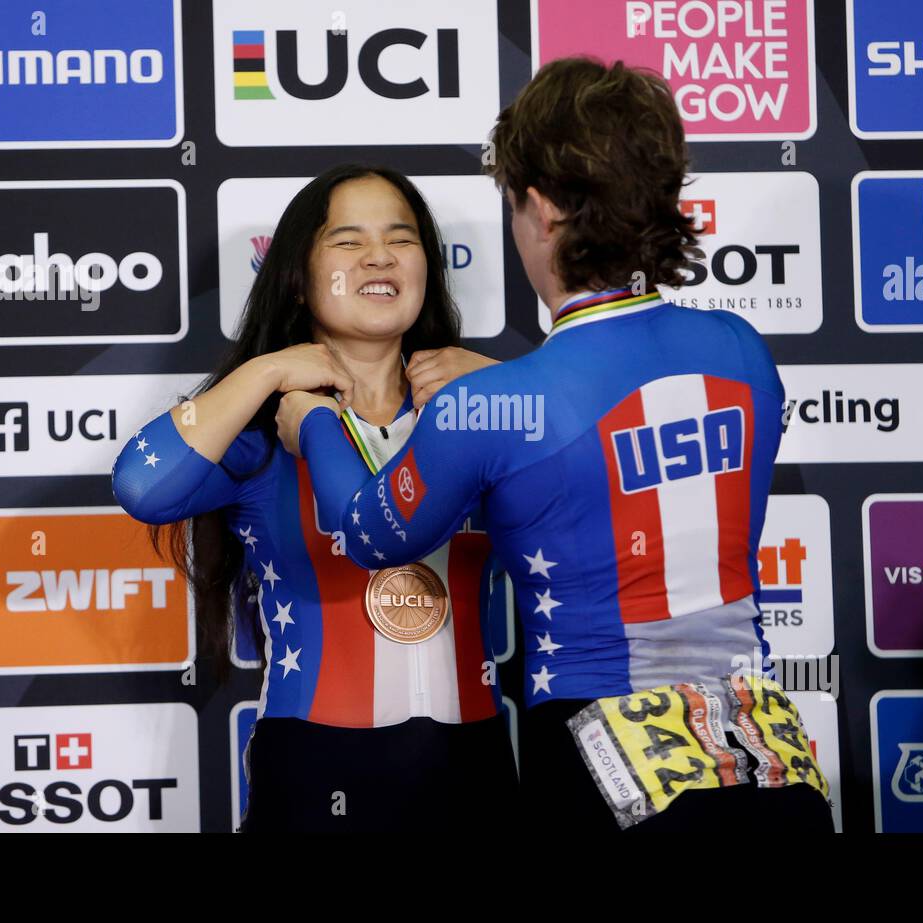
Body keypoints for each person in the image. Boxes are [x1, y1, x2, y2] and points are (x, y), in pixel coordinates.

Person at [278, 59, 835, 833]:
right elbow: (608, 427)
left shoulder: (495, 402)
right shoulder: (740, 349)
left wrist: (310, 419)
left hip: (602, 770)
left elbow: (371, 531)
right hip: (770, 760)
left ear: (540, 211)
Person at [111, 164, 517, 833]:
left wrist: (511, 383)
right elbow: (140, 484)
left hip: (473, 768)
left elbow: (607, 472)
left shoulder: (478, 413)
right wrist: (265, 371)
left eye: (401, 237)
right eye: (349, 240)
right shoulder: (265, 434)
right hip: (318, 774)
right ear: (299, 275)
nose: (380, 255)